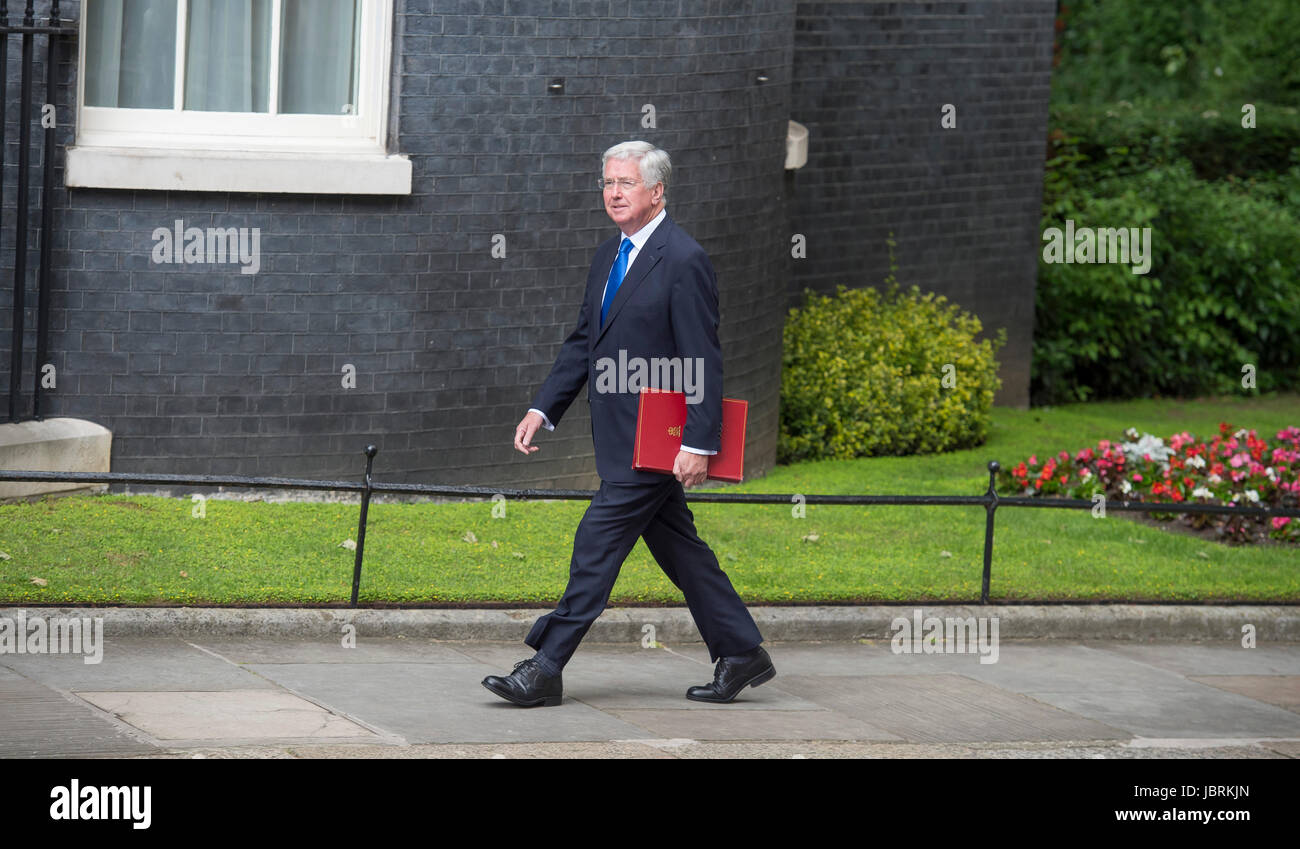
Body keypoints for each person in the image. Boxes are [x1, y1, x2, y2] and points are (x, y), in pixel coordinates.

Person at [481, 140, 775, 707]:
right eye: (608, 183)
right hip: (618, 436)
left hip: (658, 442)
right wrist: (543, 408)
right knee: (681, 551)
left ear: (657, 191)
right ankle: (742, 653)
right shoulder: (608, 255)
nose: (614, 193)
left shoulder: (684, 259)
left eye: (627, 183)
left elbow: (702, 357)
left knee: (597, 542)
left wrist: (697, 441)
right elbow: (583, 345)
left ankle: (544, 668)